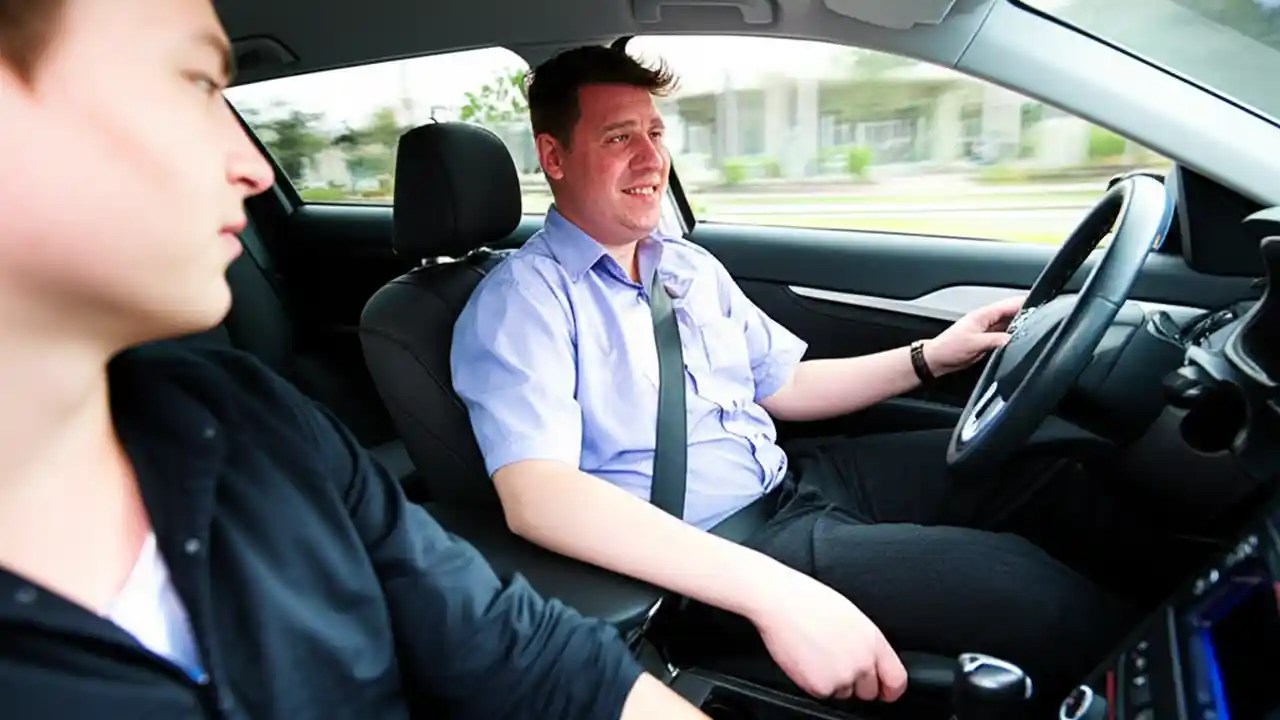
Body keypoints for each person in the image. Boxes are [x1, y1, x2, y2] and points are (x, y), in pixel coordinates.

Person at [0, 2, 710, 718]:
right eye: (193, 83)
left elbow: (521, 652)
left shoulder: (252, 420)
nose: (248, 166)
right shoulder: (521, 299)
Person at [451, 45, 1181, 708]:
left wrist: (935, 354)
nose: (650, 159)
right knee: (1027, 593)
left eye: (655, 133)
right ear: (553, 156)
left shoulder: (686, 266)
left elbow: (786, 386)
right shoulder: (523, 303)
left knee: (1054, 466)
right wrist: (773, 592)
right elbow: (538, 497)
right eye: (618, 139)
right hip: (718, 548)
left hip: (795, 482)